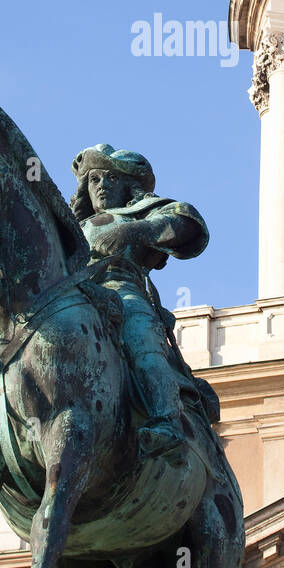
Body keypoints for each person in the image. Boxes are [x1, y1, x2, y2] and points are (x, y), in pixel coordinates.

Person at [70, 143, 209, 457]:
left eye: (110, 178)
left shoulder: (139, 213)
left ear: (126, 185)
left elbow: (188, 224)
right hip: (69, 295)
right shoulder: (72, 226)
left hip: (121, 289)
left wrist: (133, 232)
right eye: (94, 180)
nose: (102, 185)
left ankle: (167, 420)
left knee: (141, 337)